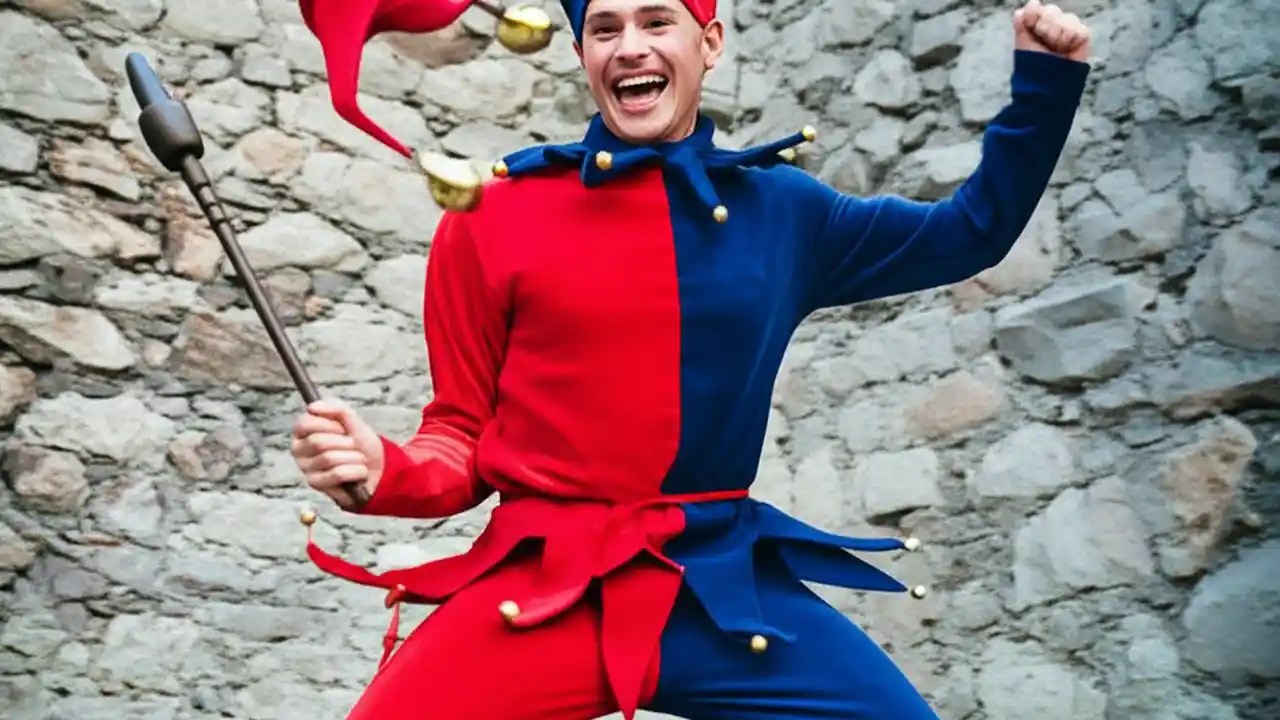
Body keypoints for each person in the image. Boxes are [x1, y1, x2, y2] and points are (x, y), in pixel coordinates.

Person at [289, 0, 1092, 718]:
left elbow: (969, 232)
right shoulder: (492, 215)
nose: (629, 46)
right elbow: (458, 437)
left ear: (708, 42)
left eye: (654, 22)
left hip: (719, 587)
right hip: (541, 590)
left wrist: (1044, 87)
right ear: (582, 56)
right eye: (604, 29)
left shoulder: (788, 212)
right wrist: (381, 471)